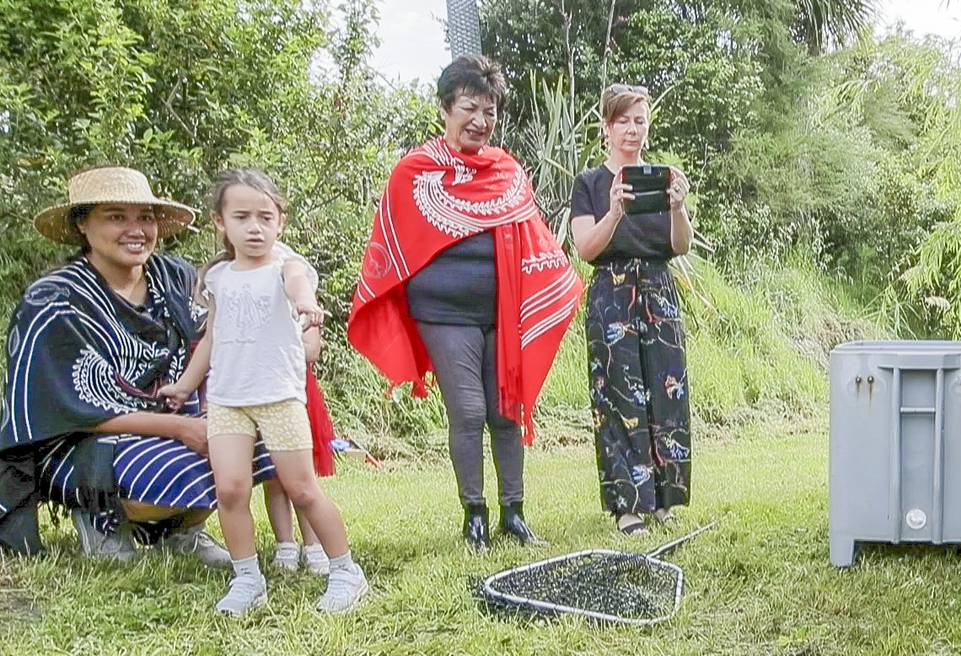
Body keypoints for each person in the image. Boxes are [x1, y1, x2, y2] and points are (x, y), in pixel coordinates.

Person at [349, 54, 582, 551]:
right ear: (445, 109)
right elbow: (392, 244)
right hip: (443, 311)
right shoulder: (415, 172)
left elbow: (535, 240)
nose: (480, 121)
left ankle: (514, 515)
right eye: (469, 108)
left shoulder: (507, 171)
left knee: (506, 411)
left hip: (504, 310)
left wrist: (559, 282)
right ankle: (474, 515)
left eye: (490, 111)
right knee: (469, 410)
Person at [0, 165, 276, 563]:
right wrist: (181, 428)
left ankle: (181, 529)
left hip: (179, 420)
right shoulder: (55, 300)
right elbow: (66, 409)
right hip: (87, 440)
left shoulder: (177, 278)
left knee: (261, 445)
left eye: (145, 217)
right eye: (116, 217)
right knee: (180, 465)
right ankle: (99, 516)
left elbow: (222, 343)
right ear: (83, 225)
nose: (136, 229)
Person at [159, 169, 368, 616]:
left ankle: (346, 571)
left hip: (278, 397)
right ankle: (247, 579)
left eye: (265, 217)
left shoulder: (286, 267)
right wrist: (184, 385)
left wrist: (306, 304)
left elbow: (298, 285)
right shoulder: (217, 278)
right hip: (227, 401)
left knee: (302, 488)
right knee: (231, 490)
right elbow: (212, 339)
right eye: (242, 217)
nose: (255, 227)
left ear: (280, 223)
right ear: (220, 222)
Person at [569, 84, 694, 536]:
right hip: (611, 293)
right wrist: (615, 212)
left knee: (666, 391)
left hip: (659, 289)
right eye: (623, 121)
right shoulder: (590, 184)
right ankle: (627, 505)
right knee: (618, 396)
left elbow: (679, 245)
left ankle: (663, 499)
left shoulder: (662, 178)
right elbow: (585, 247)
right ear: (606, 127)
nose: (632, 130)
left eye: (640, 120)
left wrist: (678, 208)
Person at [264, 361, 336, 576]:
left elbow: (312, 349)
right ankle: (285, 544)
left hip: (296, 392)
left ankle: (313, 544)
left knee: (302, 479)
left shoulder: (304, 324)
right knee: (273, 477)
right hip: (262, 394)